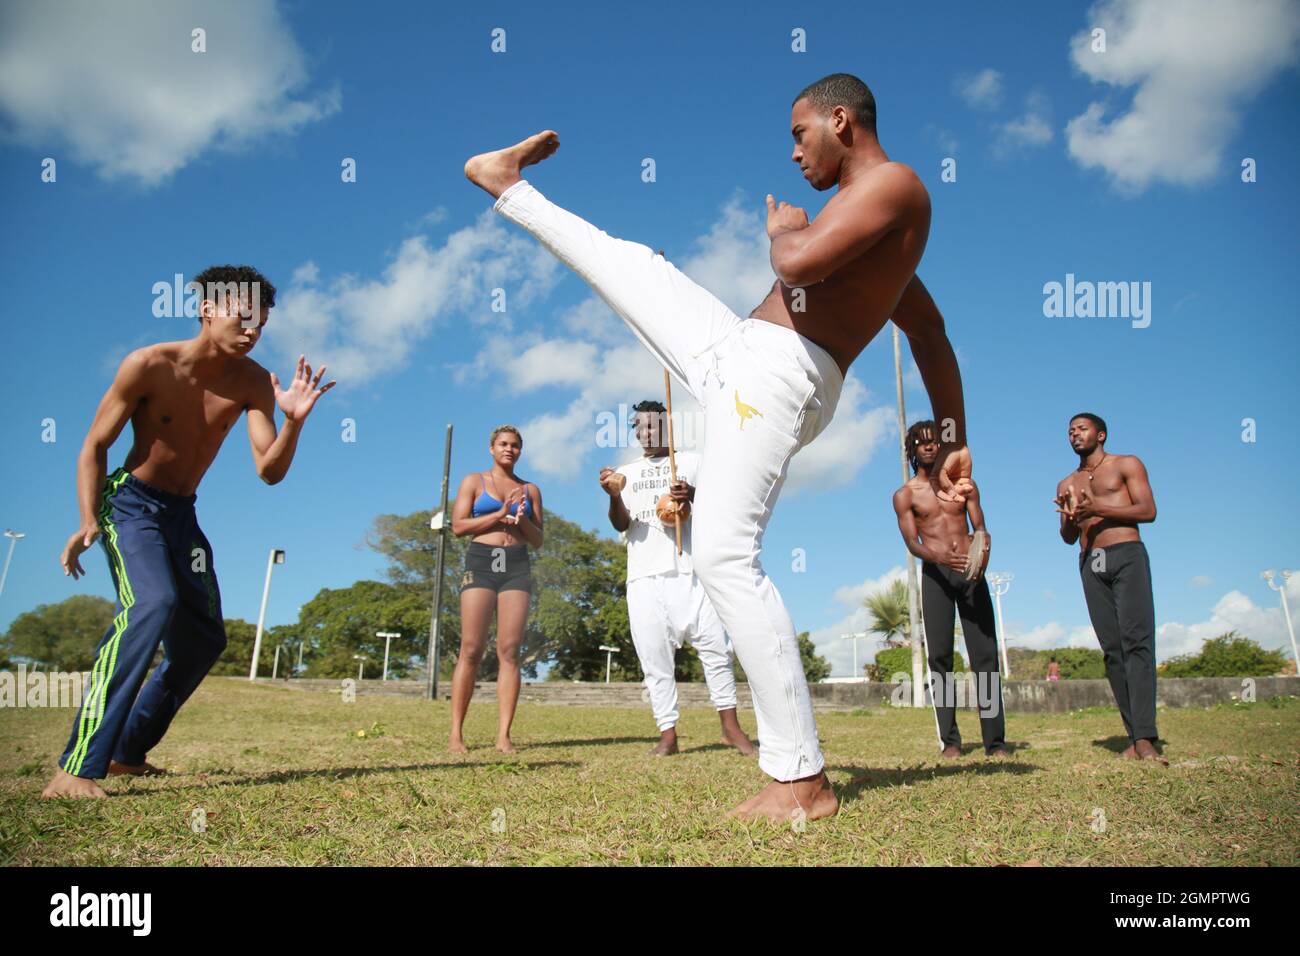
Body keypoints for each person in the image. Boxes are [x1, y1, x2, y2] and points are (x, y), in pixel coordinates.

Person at [464, 72, 971, 822]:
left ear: (840, 120)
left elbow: (796, 265)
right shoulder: (876, 229)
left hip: (776, 376)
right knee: (637, 268)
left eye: (800, 133)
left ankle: (800, 778)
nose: (795, 152)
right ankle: (508, 187)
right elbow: (929, 332)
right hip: (742, 353)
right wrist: (956, 439)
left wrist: (783, 232)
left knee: (723, 558)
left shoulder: (896, 185)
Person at [43, 265, 335, 799]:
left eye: (261, 323)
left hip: (182, 515)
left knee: (203, 640)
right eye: (242, 316)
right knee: (151, 604)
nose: (251, 331)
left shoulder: (253, 382)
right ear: (206, 310)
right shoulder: (149, 365)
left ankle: (127, 754)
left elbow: (268, 471)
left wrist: (293, 421)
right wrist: (88, 518)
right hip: (129, 505)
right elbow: (94, 445)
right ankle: (77, 766)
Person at [599, 400, 757, 757]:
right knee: (655, 659)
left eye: (655, 425)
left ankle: (730, 728)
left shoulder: (692, 463)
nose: (647, 432)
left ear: (668, 428)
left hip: (692, 570)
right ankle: (668, 734)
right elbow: (622, 524)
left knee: (716, 650)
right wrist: (613, 497)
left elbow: (725, 505)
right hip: (644, 575)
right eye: (640, 427)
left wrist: (693, 496)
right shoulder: (626, 472)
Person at [892, 420, 1007, 759]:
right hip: (937, 576)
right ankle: (951, 742)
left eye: (934, 442)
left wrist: (982, 554)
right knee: (940, 658)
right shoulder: (905, 495)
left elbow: (981, 527)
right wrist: (937, 554)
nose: (929, 447)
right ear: (912, 449)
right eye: (921, 443)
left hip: (971, 574)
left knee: (985, 656)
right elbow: (913, 542)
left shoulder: (963, 485)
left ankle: (995, 743)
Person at [1054, 413, 1163, 762]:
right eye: (1070, 431)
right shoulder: (1066, 483)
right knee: (1113, 650)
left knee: (1137, 642)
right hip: (1091, 562)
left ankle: (1146, 736)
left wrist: (1098, 506)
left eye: (1081, 429)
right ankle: (1135, 736)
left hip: (1126, 553)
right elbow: (1068, 538)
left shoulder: (1126, 464)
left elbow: (1148, 510)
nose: (1075, 434)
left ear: (1100, 434)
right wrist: (1072, 519)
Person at [448, 425, 543, 753]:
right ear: (491, 448)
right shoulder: (473, 481)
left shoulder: (530, 489)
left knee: (510, 650)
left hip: (516, 563)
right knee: (471, 649)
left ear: (520, 451)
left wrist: (521, 520)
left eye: (515, 445)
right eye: (503, 444)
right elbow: (459, 526)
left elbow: (539, 539)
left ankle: (503, 734)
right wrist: (500, 514)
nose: (509, 449)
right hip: (482, 561)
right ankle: (456, 734)